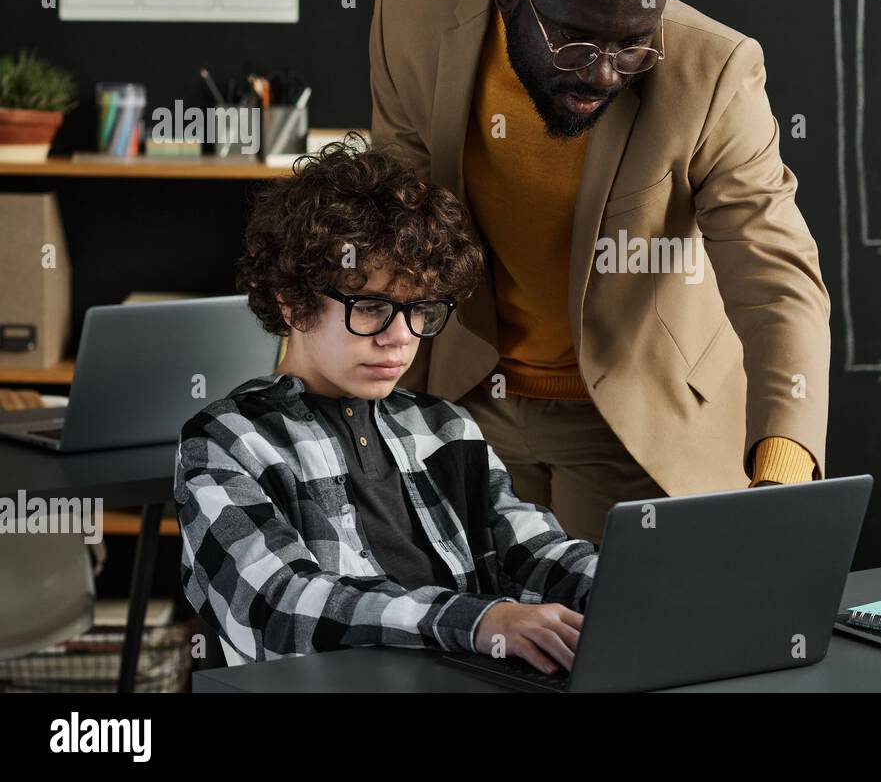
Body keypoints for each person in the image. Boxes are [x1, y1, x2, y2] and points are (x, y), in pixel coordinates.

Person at [368, 0, 830, 540]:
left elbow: (778, 279)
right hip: (466, 393)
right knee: (468, 633)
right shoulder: (414, 2)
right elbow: (392, 218)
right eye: (575, 42)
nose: (604, 73)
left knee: (619, 637)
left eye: (634, 45)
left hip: (633, 415)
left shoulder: (715, 72)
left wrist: (782, 479)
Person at [175, 141, 593, 674]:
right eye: (371, 308)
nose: (401, 337)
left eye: (419, 309)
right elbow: (278, 609)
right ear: (291, 300)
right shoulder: (226, 441)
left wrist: (638, 586)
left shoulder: (443, 427)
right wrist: (479, 622)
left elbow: (534, 552)